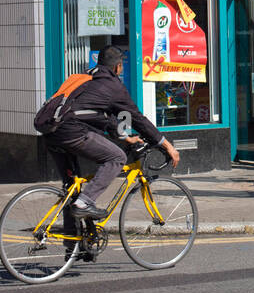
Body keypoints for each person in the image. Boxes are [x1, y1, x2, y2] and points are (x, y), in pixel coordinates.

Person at [44, 45, 181, 220]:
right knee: (117, 158)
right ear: (118, 67)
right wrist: (166, 144)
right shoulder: (112, 85)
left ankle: (74, 243)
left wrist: (124, 137)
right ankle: (85, 202)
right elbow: (136, 118)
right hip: (73, 132)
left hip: (52, 133)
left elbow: (97, 116)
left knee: (72, 188)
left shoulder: (84, 78)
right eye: (122, 64)